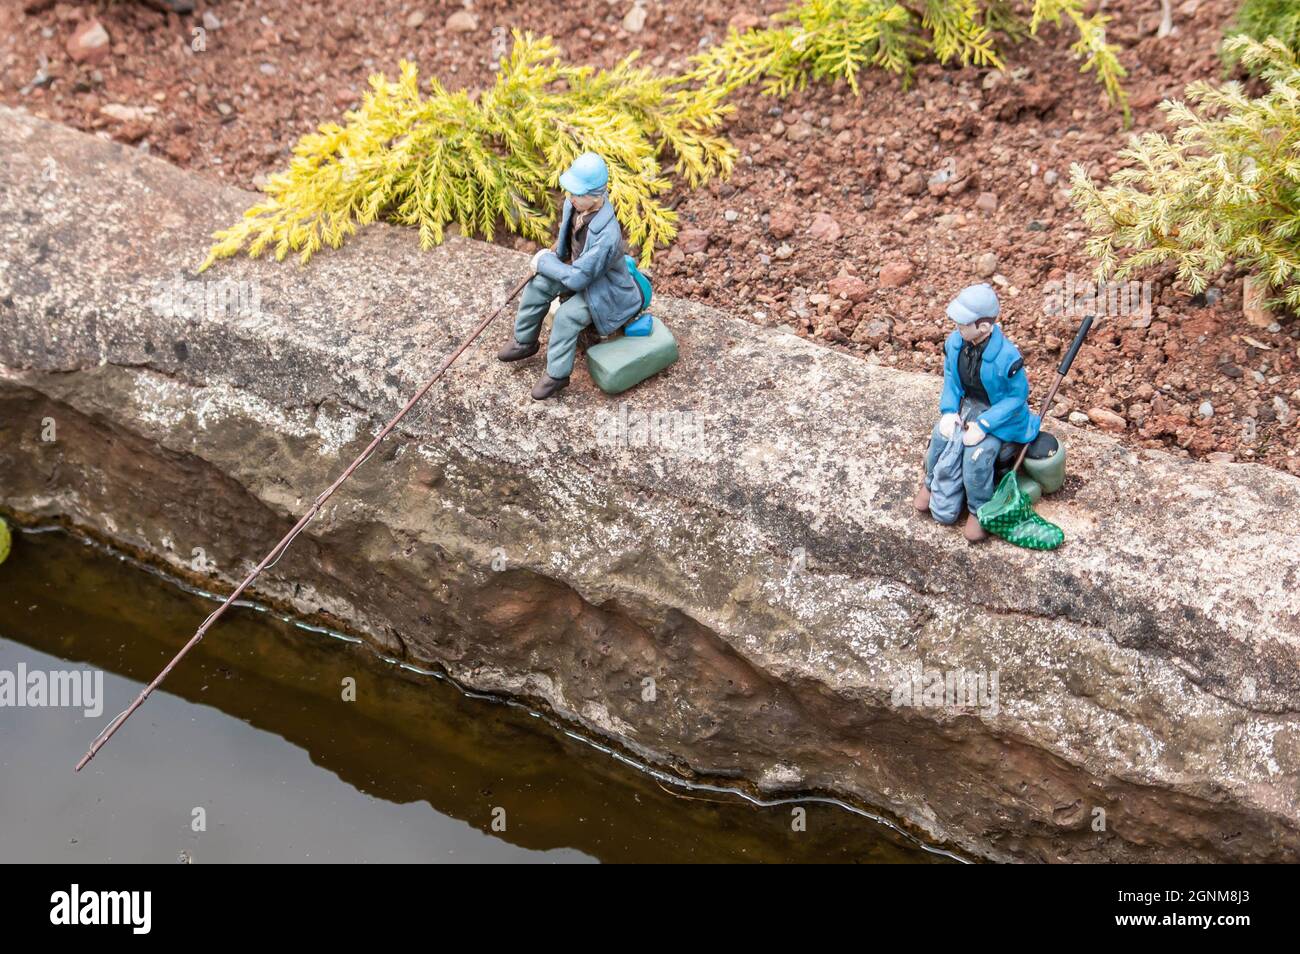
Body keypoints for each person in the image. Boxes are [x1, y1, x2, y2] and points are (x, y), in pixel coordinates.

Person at [497, 152, 644, 400]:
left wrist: (543, 261)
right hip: (576, 269)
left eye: (577, 193)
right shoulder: (574, 205)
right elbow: (567, 245)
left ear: (595, 196)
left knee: (566, 316)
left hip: (604, 290)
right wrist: (552, 256)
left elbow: (578, 279)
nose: (570, 197)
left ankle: (557, 374)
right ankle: (525, 341)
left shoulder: (607, 235)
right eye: (570, 191)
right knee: (539, 285)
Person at [914, 283, 1040, 542]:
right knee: (940, 437)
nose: (956, 327)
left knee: (977, 455)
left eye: (962, 323)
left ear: (983, 327)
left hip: (998, 417)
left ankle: (978, 508)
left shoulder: (1007, 357)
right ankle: (930, 485)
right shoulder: (955, 343)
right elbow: (950, 377)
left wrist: (984, 424)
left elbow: (1017, 397)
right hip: (966, 406)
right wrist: (949, 411)